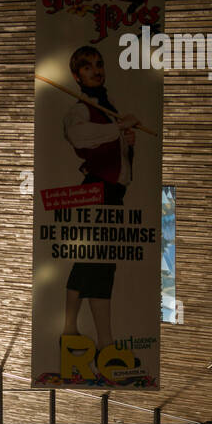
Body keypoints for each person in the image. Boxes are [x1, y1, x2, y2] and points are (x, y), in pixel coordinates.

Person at [62, 45, 139, 360]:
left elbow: (123, 167)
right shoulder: (81, 110)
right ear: (77, 75)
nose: (96, 69)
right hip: (96, 191)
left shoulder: (108, 108)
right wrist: (118, 128)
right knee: (92, 261)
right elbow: (79, 137)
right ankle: (79, 333)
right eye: (88, 66)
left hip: (112, 194)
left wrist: (127, 144)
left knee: (101, 264)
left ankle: (100, 340)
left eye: (99, 63)